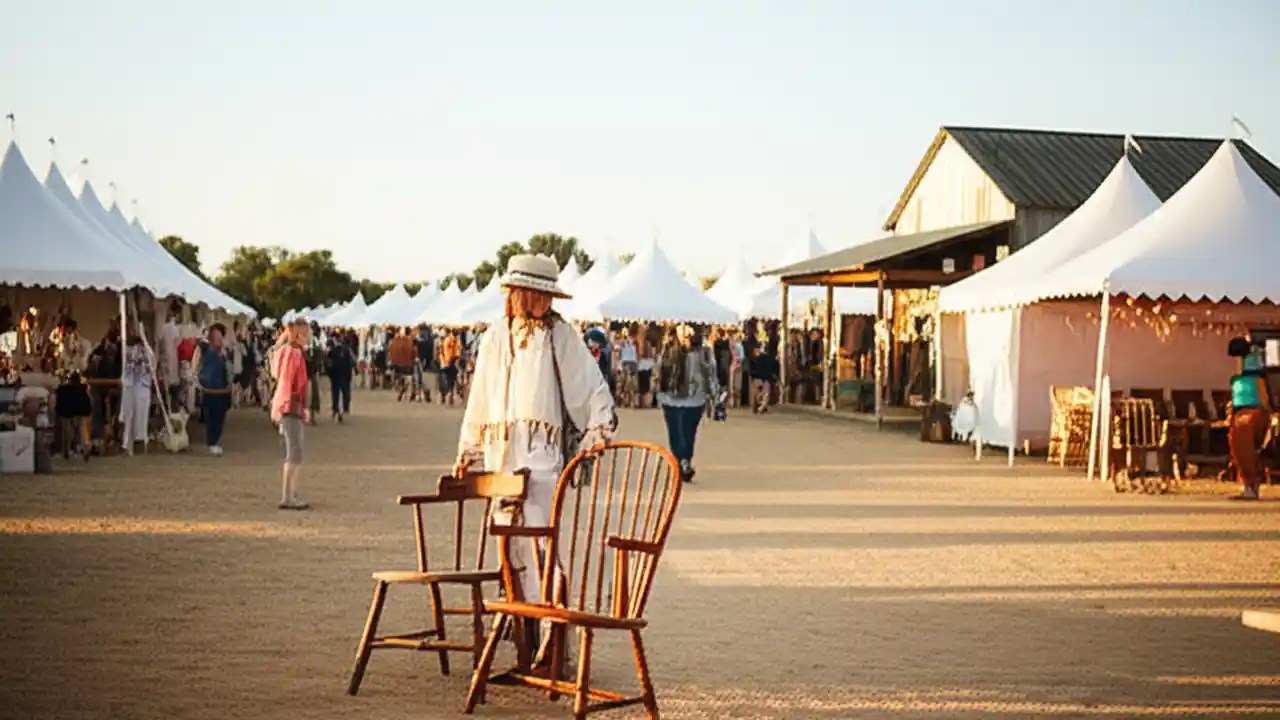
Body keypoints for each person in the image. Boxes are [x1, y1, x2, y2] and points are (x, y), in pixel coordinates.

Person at [456, 253, 614, 660]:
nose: (544, 304)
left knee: (541, 540)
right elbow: (480, 397)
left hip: (543, 457)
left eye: (548, 296)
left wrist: (597, 429)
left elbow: (591, 387)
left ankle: (553, 631)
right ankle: (523, 631)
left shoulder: (560, 335)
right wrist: (469, 448)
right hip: (501, 455)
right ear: (518, 294)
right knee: (509, 546)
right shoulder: (495, 337)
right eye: (537, 295)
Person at [658, 325, 719, 483]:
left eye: (691, 329)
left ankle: (684, 460)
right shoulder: (668, 349)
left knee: (688, 432)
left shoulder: (704, 352)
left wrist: (714, 396)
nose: (687, 333)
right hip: (670, 398)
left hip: (694, 398)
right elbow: (659, 371)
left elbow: (711, 373)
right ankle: (680, 461)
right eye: (683, 328)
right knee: (674, 433)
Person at [272, 319, 311, 509]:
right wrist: (302, 407)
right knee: (294, 453)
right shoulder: (294, 354)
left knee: (295, 452)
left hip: (287, 405)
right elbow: (295, 385)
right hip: (291, 407)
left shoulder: (287, 352)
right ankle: (288, 496)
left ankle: (291, 492)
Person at [1228, 336, 1272, 500]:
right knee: (1241, 447)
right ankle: (1249, 485)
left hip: (1252, 410)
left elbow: (1261, 388)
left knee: (1243, 443)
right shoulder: (1246, 372)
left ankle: (1251, 485)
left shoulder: (1253, 368)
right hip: (1245, 410)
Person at [194, 323, 232, 456]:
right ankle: (212, 442)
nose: (219, 340)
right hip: (211, 389)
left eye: (220, 337)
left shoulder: (223, 354)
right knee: (212, 417)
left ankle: (214, 441)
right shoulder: (206, 352)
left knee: (220, 417)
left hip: (222, 390)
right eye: (216, 337)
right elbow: (201, 369)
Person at [121, 334, 154, 455]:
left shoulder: (138, 352)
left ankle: (130, 444)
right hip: (139, 388)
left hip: (136, 387)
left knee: (132, 418)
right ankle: (135, 444)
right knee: (138, 418)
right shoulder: (142, 352)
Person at [326, 331, 356, 422]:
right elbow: (351, 362)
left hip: (336, 374)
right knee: (345, 392)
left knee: (336, 393)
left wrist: (329, 373)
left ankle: (336, 409)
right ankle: (343, 409)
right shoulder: (346, 348)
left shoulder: (331, 349)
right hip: (343, 374)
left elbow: (328, 362)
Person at [749, 344, 780, 413]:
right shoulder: (772, 359)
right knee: (766, 393)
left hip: (757, 378)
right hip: (766, 379)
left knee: (758, 393)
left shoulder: (755, 359)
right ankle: (762, 406)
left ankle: (759, 405)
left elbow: (752, 370)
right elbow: (775, 368)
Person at [438, 329, 462, 405]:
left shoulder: (455, 340)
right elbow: (444, 352)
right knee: (448, 380)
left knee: (450, 380)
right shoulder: (448, 340)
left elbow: (458, 352)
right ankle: (447, 395)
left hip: (450, 362)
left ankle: (449, 395)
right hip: (447, 362)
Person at [414, 325, 436, 402]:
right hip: (428, 361)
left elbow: (417, 345)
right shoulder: (431, 339)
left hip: (420, 359)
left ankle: (419, 395)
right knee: (425, 378)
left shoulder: (420, 339)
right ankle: (425, 395)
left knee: (419, 378)